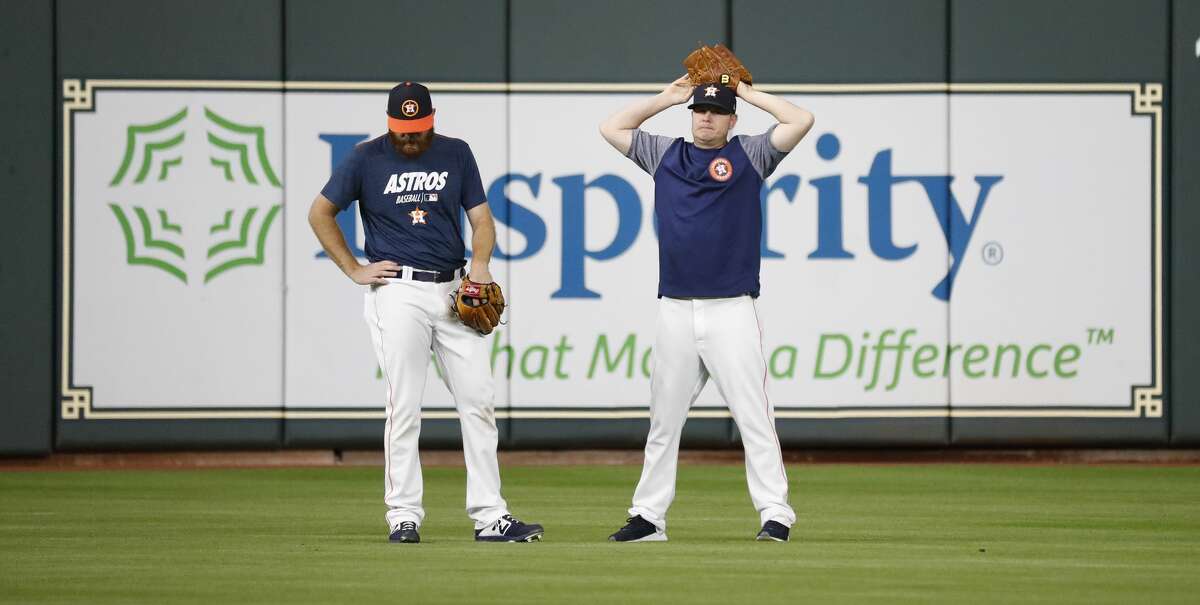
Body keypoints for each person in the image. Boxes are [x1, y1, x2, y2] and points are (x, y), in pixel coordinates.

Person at [308, 81, 543, 544]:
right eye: (401, 128)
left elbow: (481, 219)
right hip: (398, 292)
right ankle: (403, 515)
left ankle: (490, 516)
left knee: (479, 401)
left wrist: (479, 266)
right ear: (389, 121)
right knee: (405, 406)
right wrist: (354, 268)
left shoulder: (456, 153)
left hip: (455, 287)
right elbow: (320, 212)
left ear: (432, 118)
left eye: (416, 128)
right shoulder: (365, 157)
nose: (409, 137)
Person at [599, 75, 815, 542]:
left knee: (754, 416)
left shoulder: (750, 155)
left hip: (731, 309)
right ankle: (649, 517)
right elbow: (611, 128)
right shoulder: (665, 154)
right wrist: (667, 97)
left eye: (716, 110)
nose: (706, 117)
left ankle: (775, 513)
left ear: (732, 119)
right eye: (699, 110)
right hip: (675, 307)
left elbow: (801, 119)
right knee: (663, 420)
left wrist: (745, 91)